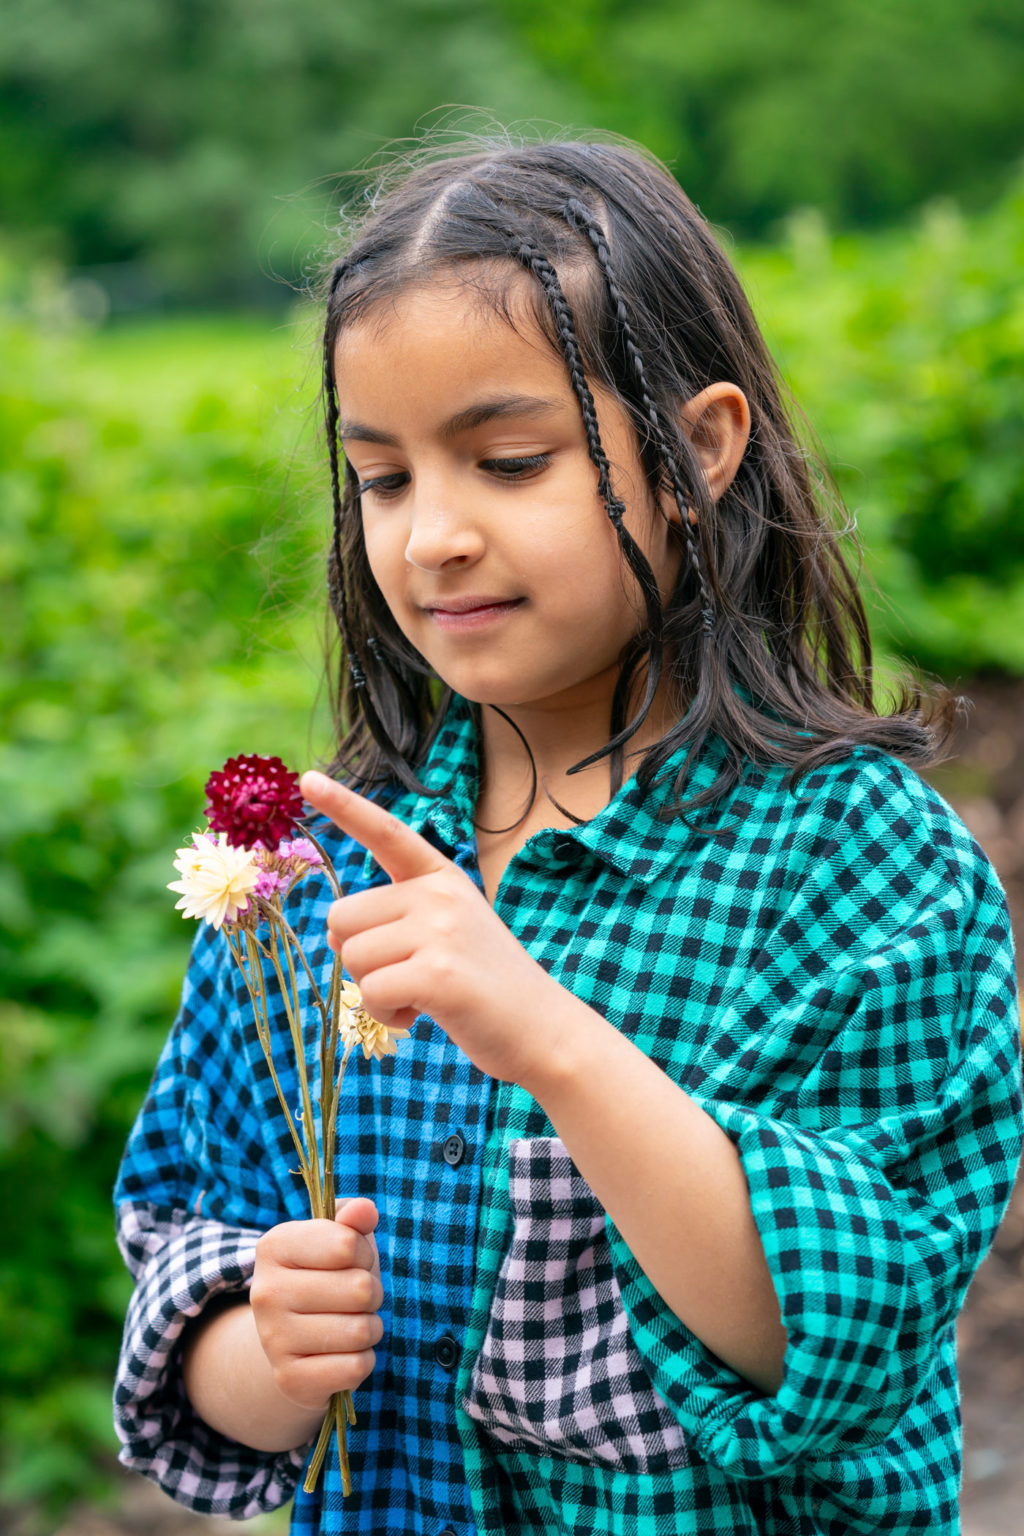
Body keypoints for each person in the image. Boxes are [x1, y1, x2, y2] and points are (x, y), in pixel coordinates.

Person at [113, 135, 1023, 1536]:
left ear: (698, 454)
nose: (432, 538)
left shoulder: (861, 867)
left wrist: (545, 1034)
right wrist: (270, 1354)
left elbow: (832, 1345)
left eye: (510, 461)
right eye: (386, 479)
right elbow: (191, 1256)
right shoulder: (317, 877)